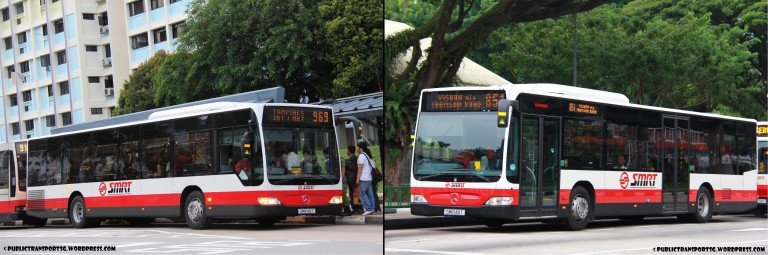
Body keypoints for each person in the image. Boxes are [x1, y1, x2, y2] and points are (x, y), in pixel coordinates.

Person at [356, 142, 376, 215]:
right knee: (370, 194)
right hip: (369, 178)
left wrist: (358, 178)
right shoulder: (367, 155)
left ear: (361, 148)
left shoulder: (361, 156)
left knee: (362, 194)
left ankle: (369, 208)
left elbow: (360, 167)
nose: (356, 149)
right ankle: (372, 208)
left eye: (357, 147)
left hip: (363, 178)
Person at [342, 145, 358, 214]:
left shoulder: (353, 159)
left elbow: (352, 168)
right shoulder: (351, 159)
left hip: (353, 179)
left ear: (349, 151)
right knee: (352, 194)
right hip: (351, 179)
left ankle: (357, 208)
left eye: (347, 150)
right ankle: (354, 208)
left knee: (355, 194)